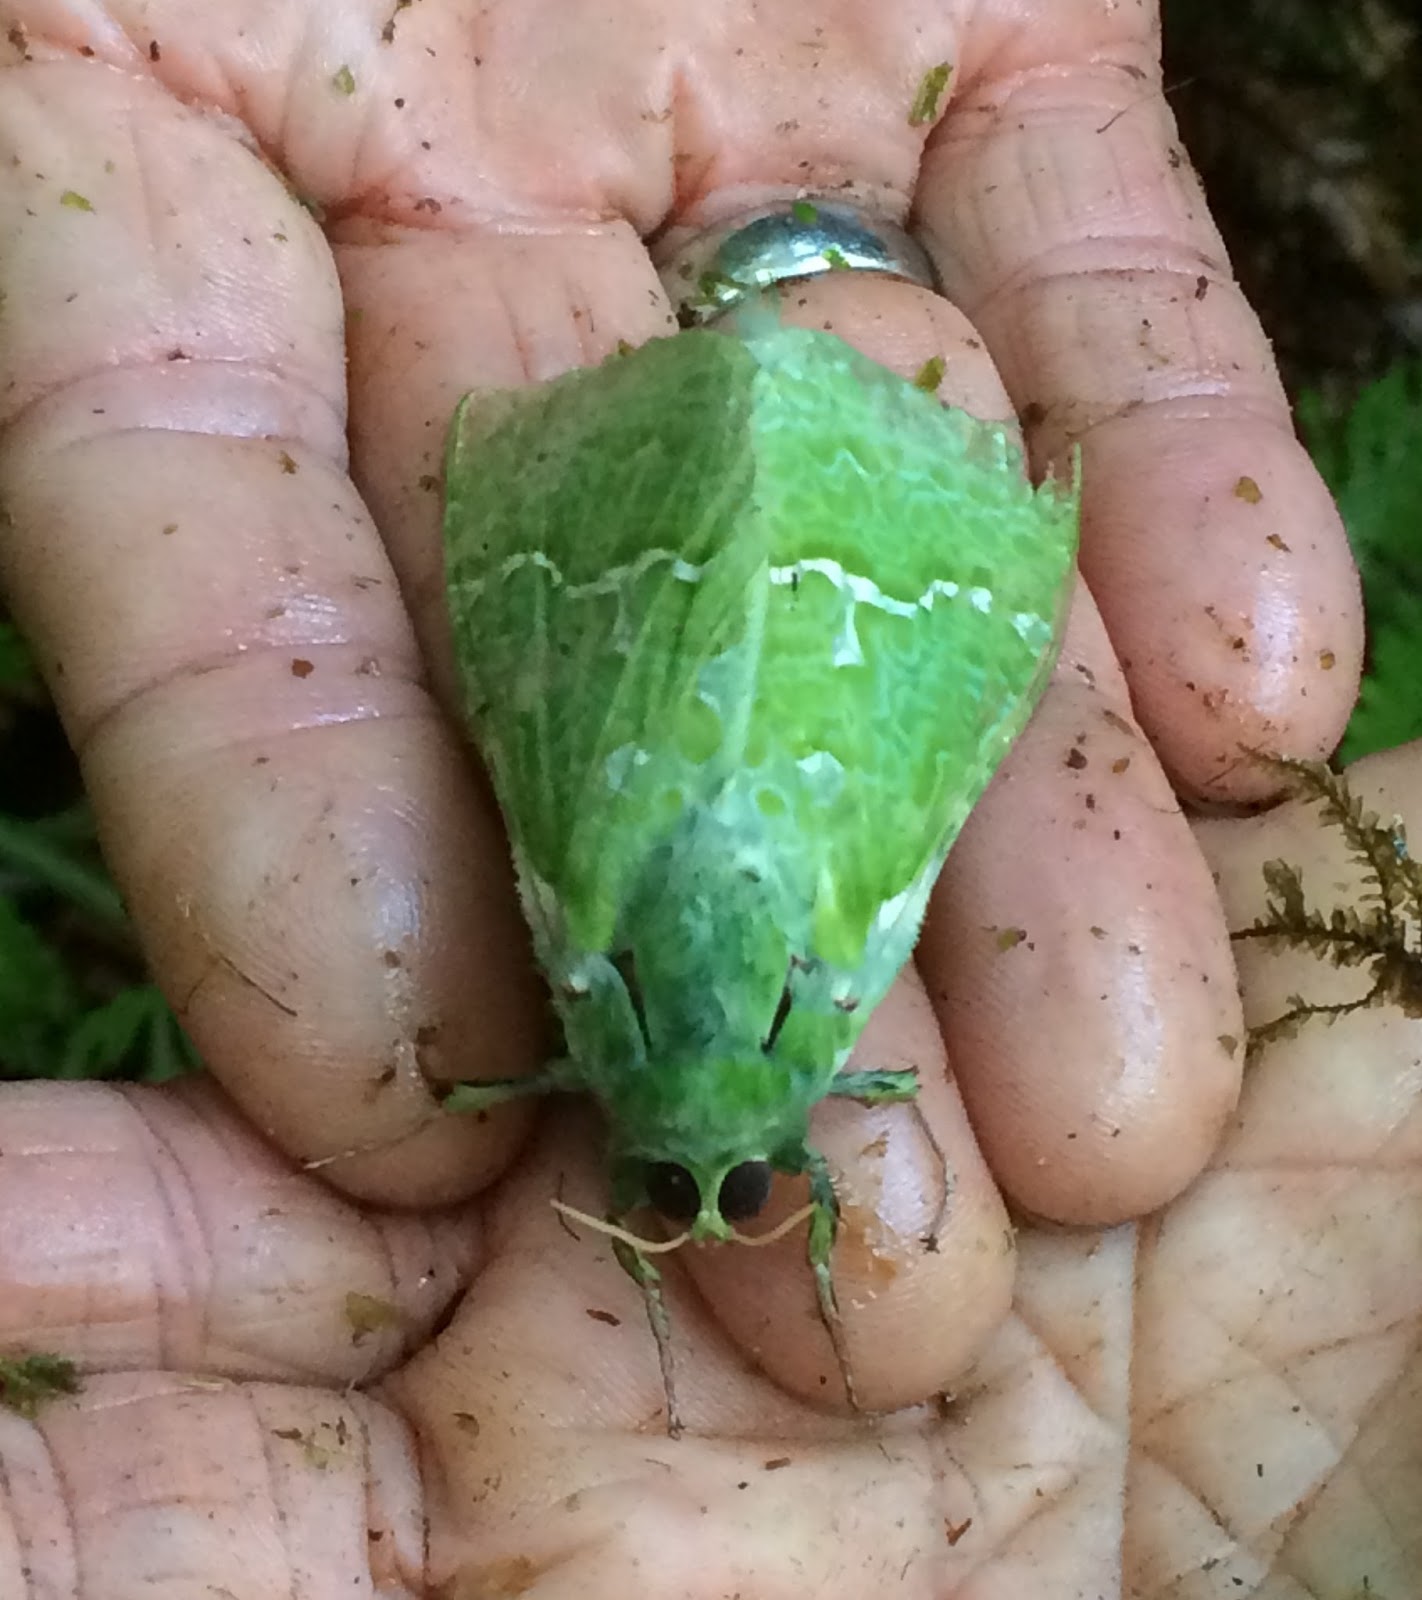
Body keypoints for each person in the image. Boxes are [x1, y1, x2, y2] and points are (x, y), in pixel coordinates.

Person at [0, 3, 1411, 1592]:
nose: (700, 1196)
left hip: (694, 755)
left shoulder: (755, 1021)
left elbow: (594, 1096)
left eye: (672, 1188)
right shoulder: (621, 1009)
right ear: (776, 1170)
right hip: (733, 769)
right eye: (736, 1191)